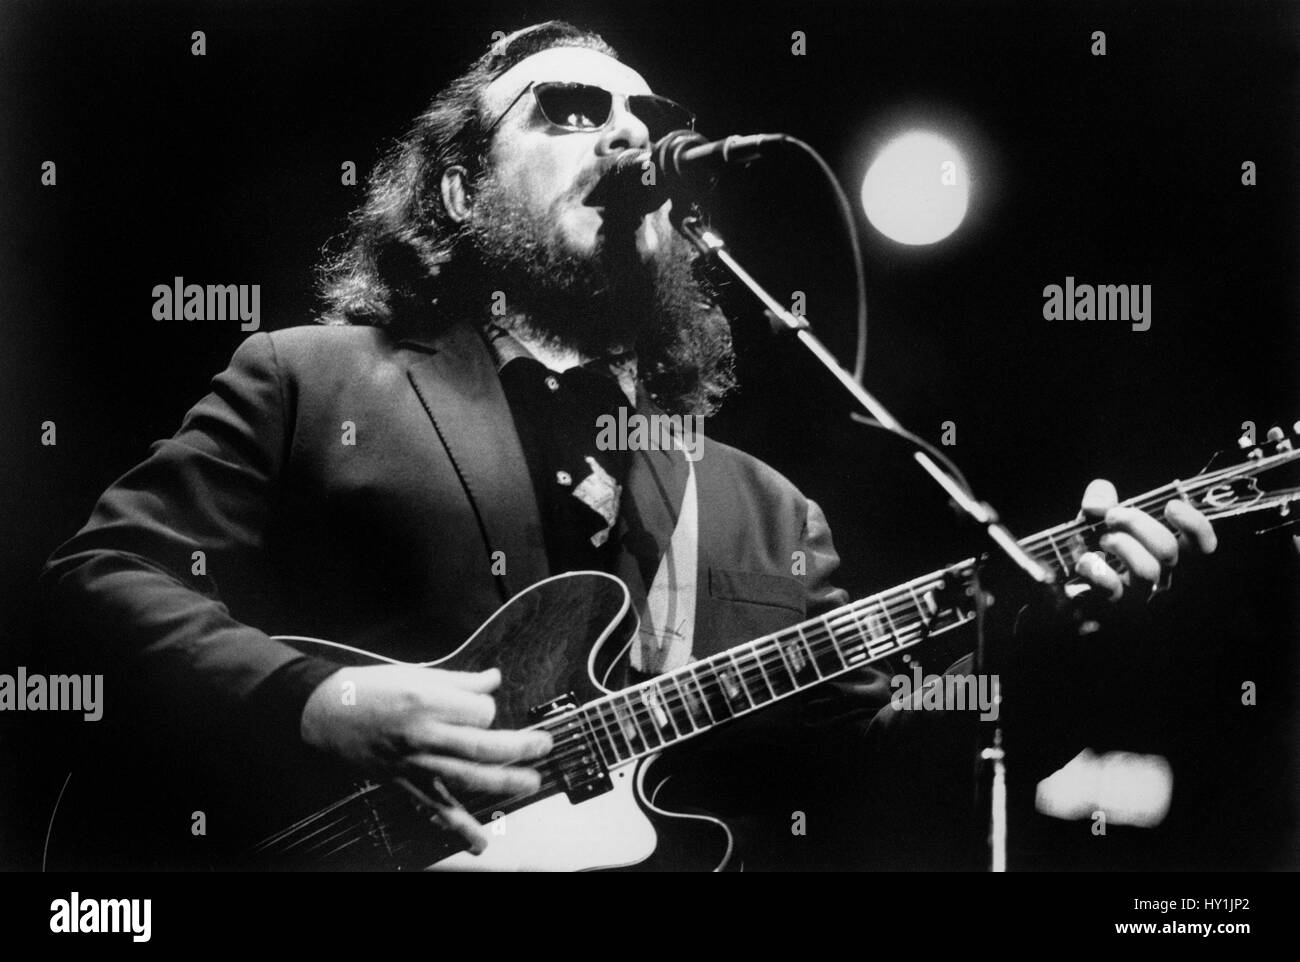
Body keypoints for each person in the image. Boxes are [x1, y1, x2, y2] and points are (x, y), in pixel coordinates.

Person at [40, 21, 1216, 869]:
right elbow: (92, 587)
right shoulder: (310, 375)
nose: (625, 138)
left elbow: (868, 775)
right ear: (456, 193)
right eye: (568, 110)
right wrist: (319, 696)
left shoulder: (763, 508)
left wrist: (1050, 640)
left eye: (646, 121)